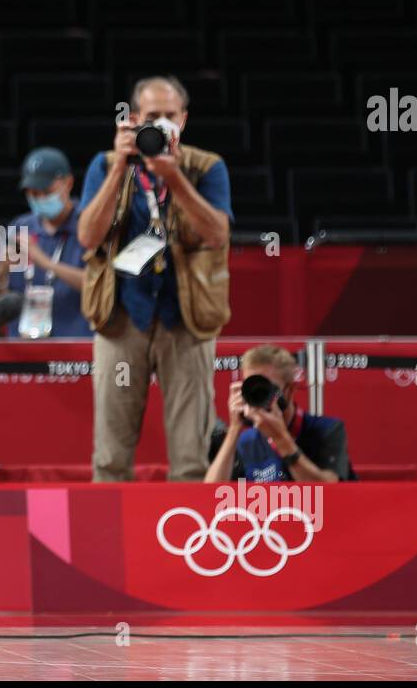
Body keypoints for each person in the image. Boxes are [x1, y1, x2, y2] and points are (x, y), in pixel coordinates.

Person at [77, 75, 234, 482]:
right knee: (110, 456)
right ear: (133, 119)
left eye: (170, 115)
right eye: (152, 116)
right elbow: (87, 236)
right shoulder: (106, 164)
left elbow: (218, 235)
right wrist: (119, 169)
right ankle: (105, 542)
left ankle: (188, 541)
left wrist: (174, 177)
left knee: (191, 457)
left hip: (186, 319)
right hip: (121, 317)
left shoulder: (206, 166)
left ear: (183, 119)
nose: (162, 124)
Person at [0, 146, 90, 338]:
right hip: (24, 344)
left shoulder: (88, 224)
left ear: (68, 183)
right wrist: (1, 271)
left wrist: (46, 263)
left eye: (46, 191)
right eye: (32, 193)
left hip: (74, 345)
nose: (39, 198)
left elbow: (97, 285)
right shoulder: (19, 226)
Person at [204, 345, 350, 483]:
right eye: (253, 386)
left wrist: (281, 439)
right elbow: (210, 494)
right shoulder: (247, 441)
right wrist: (234, 429)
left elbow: (331, 493)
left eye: (267, 387)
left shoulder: (327, 429)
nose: (260, 395)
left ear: (291, 389)